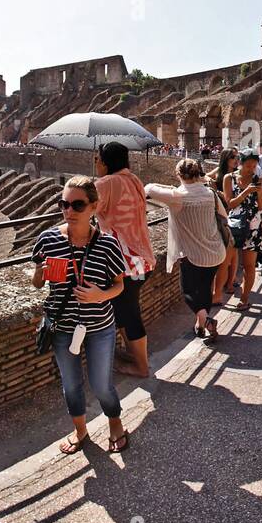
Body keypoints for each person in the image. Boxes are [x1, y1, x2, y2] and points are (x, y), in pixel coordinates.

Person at [38, 174, 133, 454]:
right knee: (71, 386)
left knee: (101, 385)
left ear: (94, 206)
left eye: (77, 205)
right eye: (64, 204)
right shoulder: (48, 240)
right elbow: (37, 283)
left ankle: (115, 423)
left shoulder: (107, 244)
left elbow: (119, 285)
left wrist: (99, 295)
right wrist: (39, 273)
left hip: (99, 326)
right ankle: (80, 431)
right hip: (63, 327)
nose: (69, 211)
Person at [92, 140, 156, 376]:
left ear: (105, 162)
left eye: (98, 159)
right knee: (123, 308)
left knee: (128, 312)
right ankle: (130, 355)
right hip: (142, 258)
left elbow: (85, 209)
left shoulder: (106, 183)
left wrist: (95, 180)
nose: (96, 163)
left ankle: (140, 366)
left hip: (124, 260)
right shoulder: (134, 180)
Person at [146, 157, 229, 339]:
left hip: (193, 256)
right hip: (216, 252)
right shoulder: (210, 194)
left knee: (188, 291)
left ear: (178, 175)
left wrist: (169, 188)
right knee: (205, 288)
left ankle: (206, 320)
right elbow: (224, 217)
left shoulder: (176, 197)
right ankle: (201, 327)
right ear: (198, 173)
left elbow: (149, 188)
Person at [218, 150, 262, 312]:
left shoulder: (258, 179)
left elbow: (261, 207)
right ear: (240, 163)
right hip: (234, 226)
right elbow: (230, 204)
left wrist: (260, 192)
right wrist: (246, 192)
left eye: (254, 166)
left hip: (253, 227)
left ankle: (245, 299)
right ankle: (217, 294)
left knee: (249, 265)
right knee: (224, 262)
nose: (251, 169)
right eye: (248, 165)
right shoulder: (229, 178)